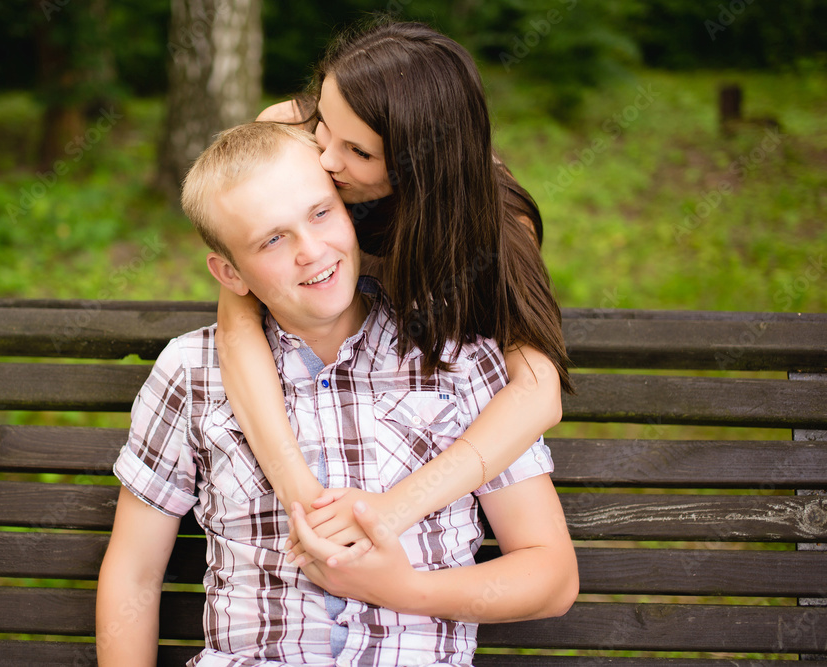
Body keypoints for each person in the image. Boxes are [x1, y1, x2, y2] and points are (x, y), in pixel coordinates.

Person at [96, 122, 578, 666]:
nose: (310, 250)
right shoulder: (192, 371)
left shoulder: (454, 356)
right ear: (230, 274)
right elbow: (134, 570)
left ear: (351, 209)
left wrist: (402, 590)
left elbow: (551, 576)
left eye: (321, 214)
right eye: (273, 239)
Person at [216, 19, 572, 566]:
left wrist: (391, 509)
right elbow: (238, 321)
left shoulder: (497, 230)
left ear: (419, 167)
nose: (326, 160)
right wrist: (298, 492)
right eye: (325, 128)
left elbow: (538, 390)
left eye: (358, 152)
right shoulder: (289, 129)